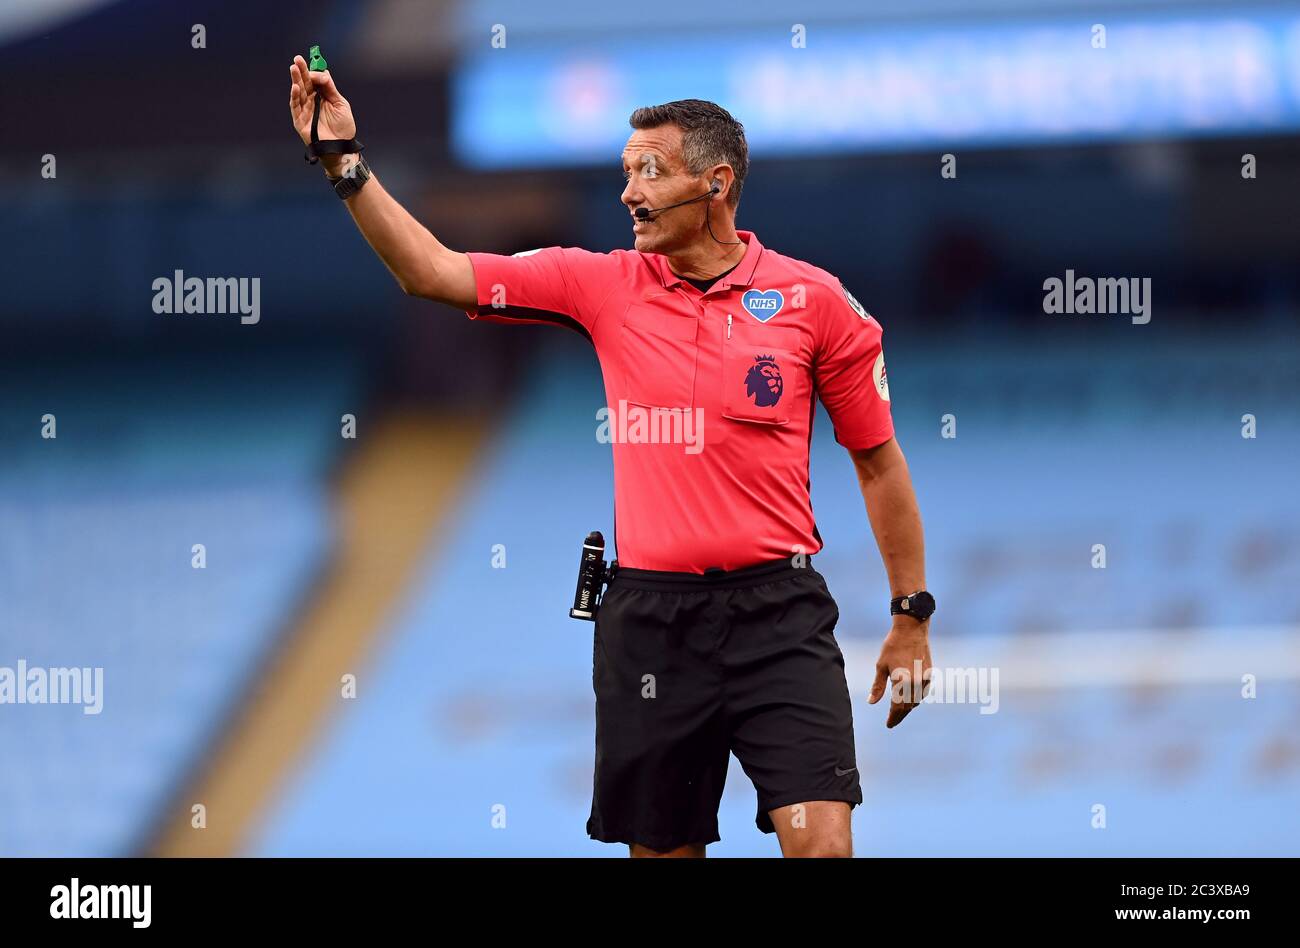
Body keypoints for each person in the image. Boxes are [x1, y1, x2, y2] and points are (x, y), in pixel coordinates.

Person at [289, 57, 935, 858]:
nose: (628, 191)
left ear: (717, 184)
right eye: (625, 171)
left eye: (651, 172)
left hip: (779, 621)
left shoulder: (816, 302)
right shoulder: (598, 284)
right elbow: (433, 272)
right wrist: (342, 163)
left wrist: (911, 614)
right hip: (651, 628)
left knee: (824, 848)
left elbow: (879, 463)